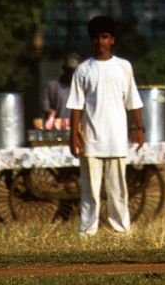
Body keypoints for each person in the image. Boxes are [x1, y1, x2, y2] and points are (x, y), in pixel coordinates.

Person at [67, 15, 144, 237]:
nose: (100, 42)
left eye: (105, 37)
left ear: (112, 40)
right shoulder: (83, 69)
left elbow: (133, 99)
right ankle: (87, 231)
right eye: (96, 37)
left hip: (117, 138)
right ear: (91, 40)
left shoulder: (123, 67)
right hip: (91, 138)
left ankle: (121, 229)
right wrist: (74, 135)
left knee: (118, 188)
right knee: (90, 189)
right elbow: (75, 105)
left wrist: (139, 129)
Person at [42, 54, 80, 126]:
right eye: (69, 70)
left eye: (74, 71)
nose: (71, 74)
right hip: (57, 127)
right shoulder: (52, 86)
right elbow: (46, 108)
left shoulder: (81, 88)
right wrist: (50, 114)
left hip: (77, 127)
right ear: (64, 69)